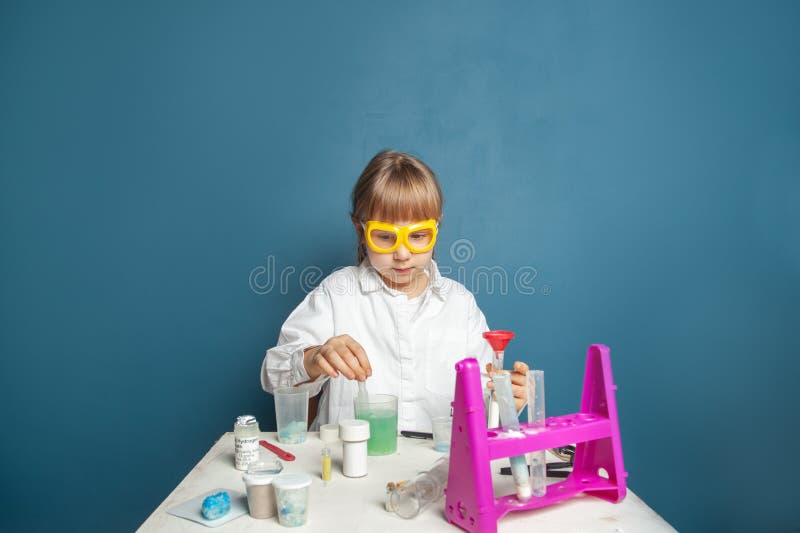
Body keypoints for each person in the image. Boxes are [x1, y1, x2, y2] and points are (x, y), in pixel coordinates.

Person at [261, 149, 528, 431]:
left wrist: (507, 401)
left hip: (438, 468)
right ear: (360, 230)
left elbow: (483, 407)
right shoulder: (336, 294)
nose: (402, 253)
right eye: (385, 237)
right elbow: (273, 375)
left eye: (418, 236)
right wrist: (314, 358)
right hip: (351, 468)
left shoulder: (459, 305)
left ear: (436, 227)